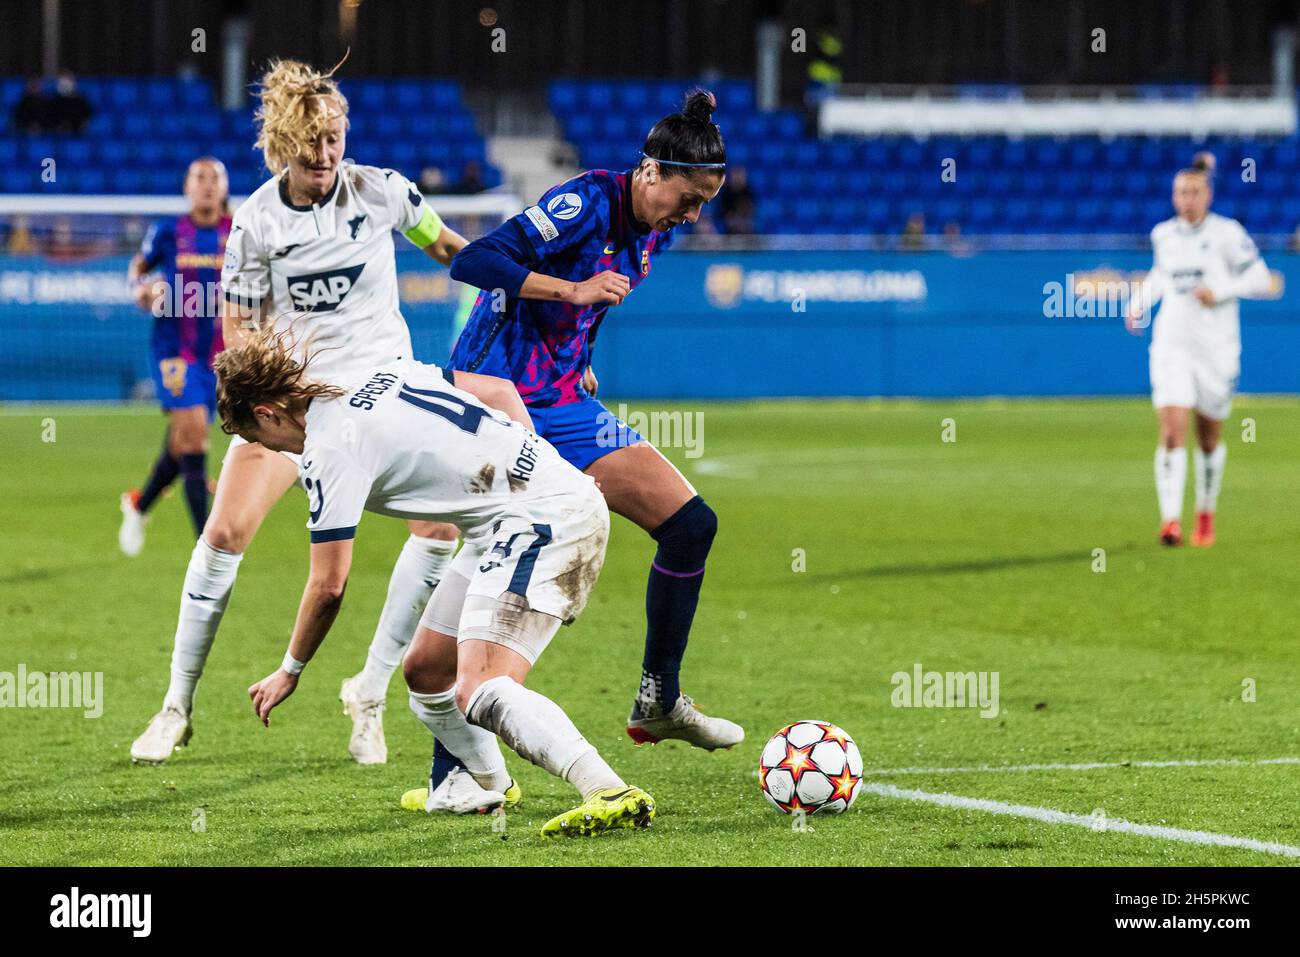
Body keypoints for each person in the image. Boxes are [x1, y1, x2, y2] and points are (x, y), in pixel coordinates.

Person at [128, 57, 517, 768]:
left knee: (437, 524)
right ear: (283, 145)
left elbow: (451, 250)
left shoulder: (382, 191)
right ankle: (176, 705)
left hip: (389, 390)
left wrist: (522, 280)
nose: (327, 155)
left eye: (335, 139)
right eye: (312, 144)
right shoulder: (255, 223)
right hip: (297, 408)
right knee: (223, 531)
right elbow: (240, 325)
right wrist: (267, 394)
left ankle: (368, 692)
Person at [219, 329, 655, 836]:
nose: (267, 450)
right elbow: (495, 390)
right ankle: (487, 782)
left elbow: (329, 587)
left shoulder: (327, 450)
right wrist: (530, 463)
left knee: (481, 685)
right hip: (508, 520)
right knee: (427, 672)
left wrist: (289, 670)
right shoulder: (366, 371)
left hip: (541, 519)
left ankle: (608, 789)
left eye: (257, 439)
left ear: (268, 412)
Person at [445, 88, 744, 768]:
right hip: (500, 397)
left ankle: (657, 698)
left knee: (691, 523)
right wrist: (572, 293)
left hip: (561, 401)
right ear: (650, 172)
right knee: (488, 562)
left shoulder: (655, 229)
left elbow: (597, 299)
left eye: (704, 202)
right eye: (688, 197)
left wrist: (579, 356)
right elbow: (475, 262)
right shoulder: (582, 203)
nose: (694, 215)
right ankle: (456, 766)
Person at [1126, 168, 1273, 546]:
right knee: (1172, 432)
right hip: (1172, 344)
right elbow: (1162, 274)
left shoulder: (1228, 233)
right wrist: (1140, 302)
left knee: (1208, 438)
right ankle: (1170, 522)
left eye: (1194, 192)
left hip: (1216, 348)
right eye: (1180, 193)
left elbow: (1261, 278)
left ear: (1207, 195)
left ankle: (1205, 511)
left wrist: (1221, 290)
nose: (1186, 200)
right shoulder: (1164, 234)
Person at [119, 157, 231, 556]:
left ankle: (139, 503)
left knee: (183, 440)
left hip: (220, 354)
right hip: (174, 352)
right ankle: (207, 546)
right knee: (197, 437)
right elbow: (139, 268)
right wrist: (143, 290)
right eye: (199, 178)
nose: (206, 185)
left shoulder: (238, 232)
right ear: (186, 187)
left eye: (214, 178)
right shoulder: (168, 232)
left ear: (224, 187)